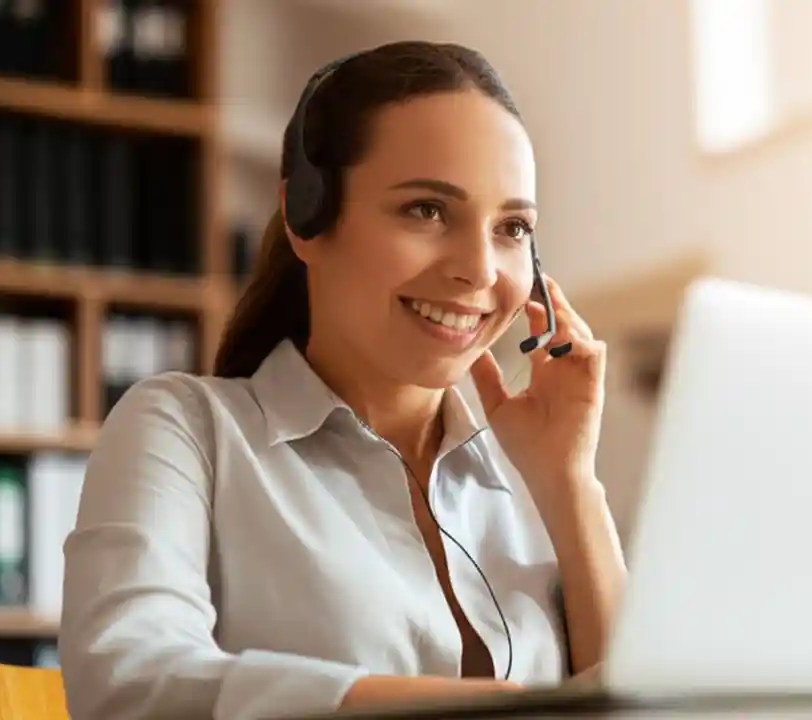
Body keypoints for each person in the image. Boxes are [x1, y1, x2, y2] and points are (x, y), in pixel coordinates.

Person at [59, 41, 626, 720]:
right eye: (427, 210)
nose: (479, 269)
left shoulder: (534, 474)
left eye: (512, 227)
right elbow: (128, 682)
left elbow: (649, 704)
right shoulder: (187, 430)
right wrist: (482, 709)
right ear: (308, 216)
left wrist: (571, 483)